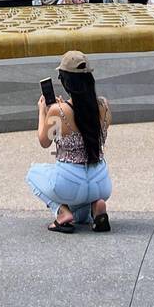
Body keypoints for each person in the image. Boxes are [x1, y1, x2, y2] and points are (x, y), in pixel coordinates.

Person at [27, 50, 112, 233]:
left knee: (33, 173)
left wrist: (44, 111)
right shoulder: (103, 105)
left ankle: (61, 212)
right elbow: (85, 120)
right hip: (101, 183)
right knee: (80, 214)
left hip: (70, 181)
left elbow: (44, 141)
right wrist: (62, 107)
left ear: (66, 81)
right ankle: (96, 206)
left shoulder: (59, 111)